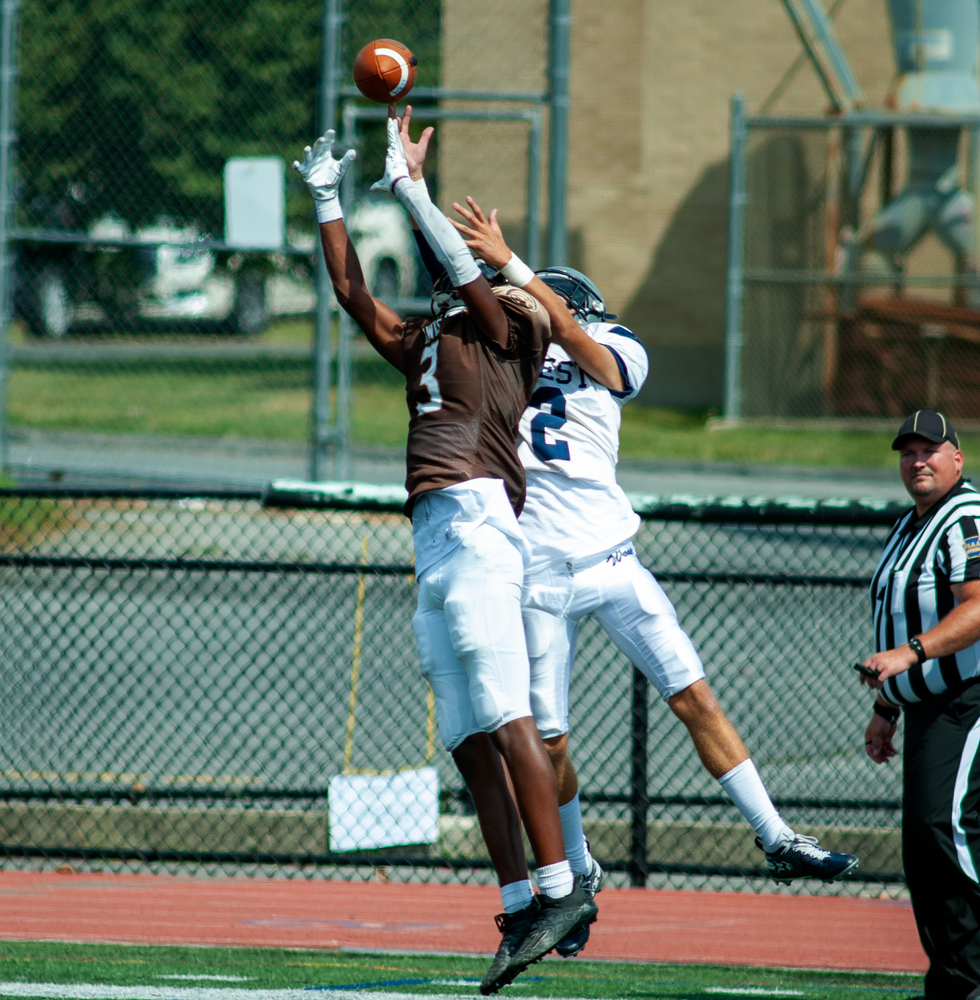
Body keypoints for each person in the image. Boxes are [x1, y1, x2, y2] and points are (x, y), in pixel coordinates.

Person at [446, 198, 859, 929]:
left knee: (691, 693)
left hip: (611, 559)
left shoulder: (606, 338)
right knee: (548, 741)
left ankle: (776, 833)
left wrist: (511, 269)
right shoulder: (506, 353)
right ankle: (575, 868)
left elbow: (580, 341)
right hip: (537, 572)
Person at [293, 108, 596, 996]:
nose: (477, 285)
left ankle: (560, 887)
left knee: (507, 717)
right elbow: (355, 298)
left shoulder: (514, 335)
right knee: (466, 736)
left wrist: (411, 190)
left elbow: (470, 271)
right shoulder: (434, 340)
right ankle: (518, 903)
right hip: (435, 538)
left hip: (476, 521)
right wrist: (324, 200)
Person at [861, 409, 980, 1000]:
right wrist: (888, 708)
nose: (917, 461)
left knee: (947, 831)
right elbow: (908, 612)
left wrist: (910, 654)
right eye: (907, 452)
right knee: (922, 846)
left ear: (957, 458)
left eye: (929, 450)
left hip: (971, 701)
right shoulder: (912, 523)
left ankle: (973, 982)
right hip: (930, 709)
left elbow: (978, 609)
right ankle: (952, 983)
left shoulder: (966, 515)